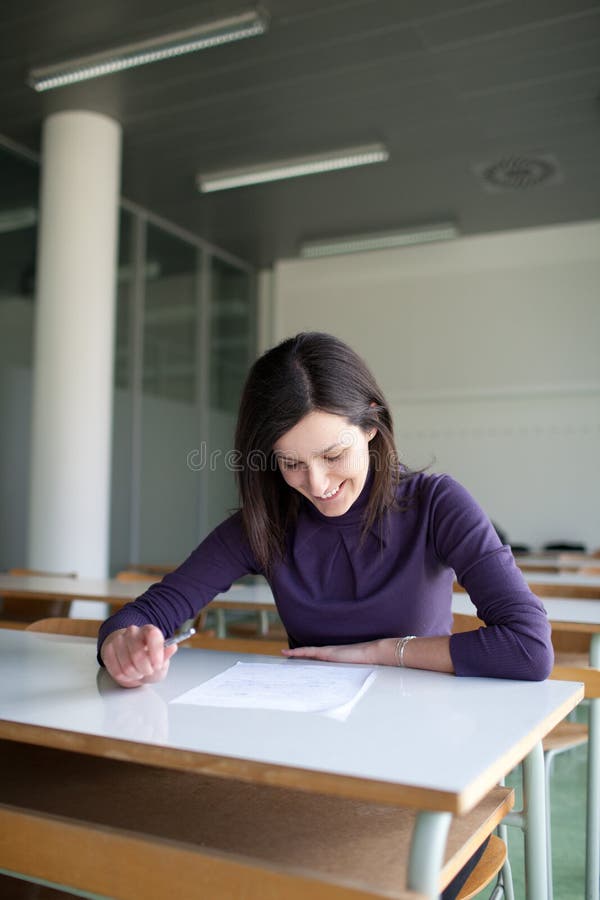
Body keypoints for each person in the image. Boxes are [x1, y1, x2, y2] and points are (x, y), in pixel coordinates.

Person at [98, 331, 553, 688]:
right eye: (291, 463)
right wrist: (128, 648)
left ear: (372, 426)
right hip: (312, 736)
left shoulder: (436, 504)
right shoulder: (266, 522)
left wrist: (380, 652)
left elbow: (529, 647)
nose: (317, 484)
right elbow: (139, 617)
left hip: (420, 726)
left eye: (333, 456)